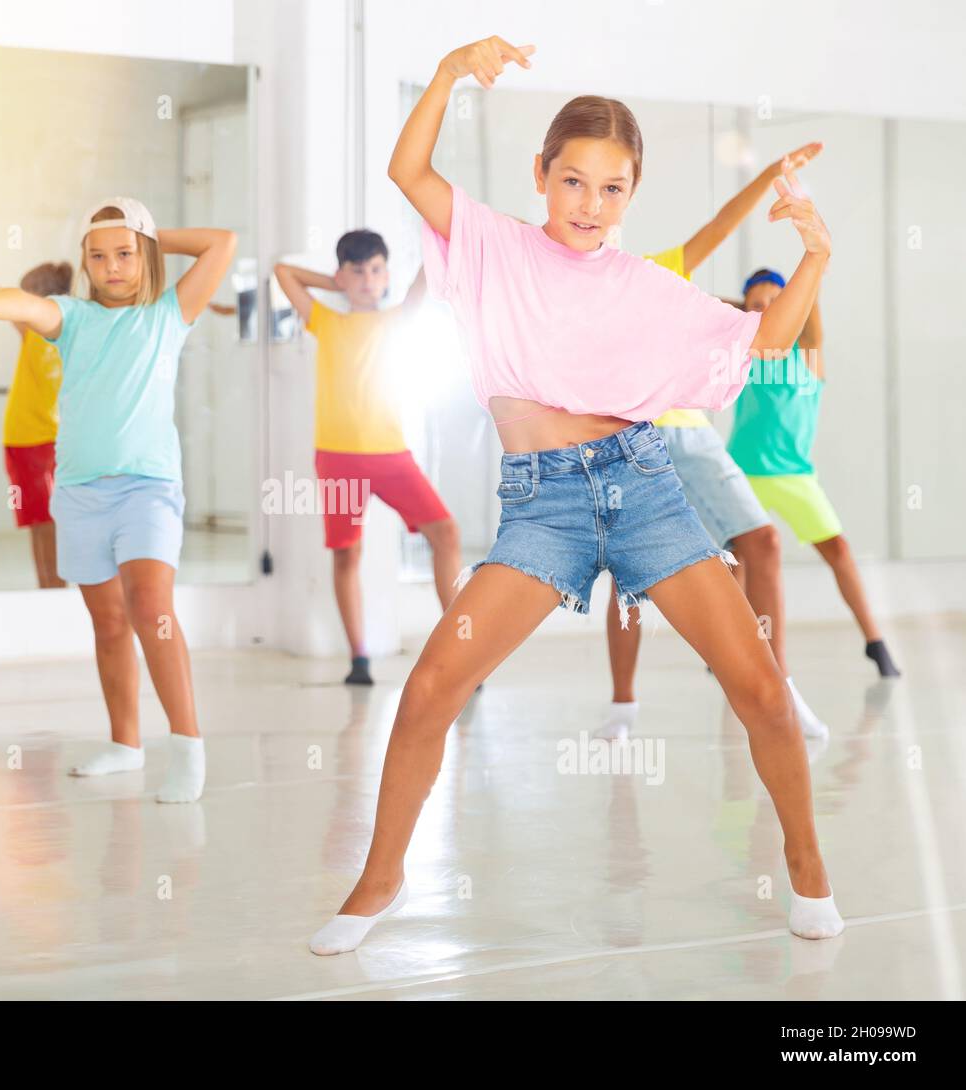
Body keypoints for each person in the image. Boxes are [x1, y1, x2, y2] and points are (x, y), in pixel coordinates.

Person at [309, 37, 844, 955]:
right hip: (543, 507)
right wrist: (446, 73)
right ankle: (380, 879)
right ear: (541, 175)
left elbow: (760, 344)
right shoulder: (487, 246)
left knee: (758, 686)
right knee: (435, 683)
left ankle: (806, 863)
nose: (589, 205)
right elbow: (408, 168)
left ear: (630, 194)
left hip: (644, 491)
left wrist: (816, 257)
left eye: (611, 189)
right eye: (572, 182)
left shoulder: (648, 287)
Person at [0, 198, 236, 802]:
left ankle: (187, 749)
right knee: (108, 623)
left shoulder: (168, 314)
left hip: (147, 489)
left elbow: (221, 242)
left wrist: (144, 236)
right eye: (97, 257)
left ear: (144, 255)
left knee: (152, 607)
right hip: (79, 494)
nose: (112, 267)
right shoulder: (71, 317)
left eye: (125, 255)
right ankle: (125, 744)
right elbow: (24, 305)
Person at [601, 143, 832, 741]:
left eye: (611, 191)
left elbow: (721, 225)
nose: (596, 206)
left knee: (763, 543)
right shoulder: (567, 285)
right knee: (629, 577)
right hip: (628, 442)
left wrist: (767, 176)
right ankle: (622, 709)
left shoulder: (655, 270)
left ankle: (778, 689)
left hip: (688, 433)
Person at [275, 235, 460, 684]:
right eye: (356, 271)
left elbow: (426, 276)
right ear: (341, 277)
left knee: (447, 533)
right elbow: (284, 272)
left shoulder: (399, 319)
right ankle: (359, 659)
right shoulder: (326, 320)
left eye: (376, 270)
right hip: (339, 459)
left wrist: (441, 230)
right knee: (347, 554)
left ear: (387, 275)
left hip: (392, 456)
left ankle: (459, 653)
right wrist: (337, 285)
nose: (366, 279)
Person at [727, 273, 901, 677]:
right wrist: (748, 310)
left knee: (838, 550)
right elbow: (714, 308)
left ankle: (875, 641)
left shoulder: (807, 352)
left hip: (795, 477)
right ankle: (728, 647)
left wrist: (806, 270)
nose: (766, 307)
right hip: (742, 471)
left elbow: (807, 303)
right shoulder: (746, 352)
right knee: (734, 560)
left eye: (775, 300)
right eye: (756, 303)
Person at [0, 262, 72, 588]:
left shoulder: (64, 331)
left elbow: (1, 297)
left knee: (52, 520)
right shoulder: (30, 332)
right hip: (22, 439)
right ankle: (46, 587)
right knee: (37, 520)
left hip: (49, 440)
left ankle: (55, 587)